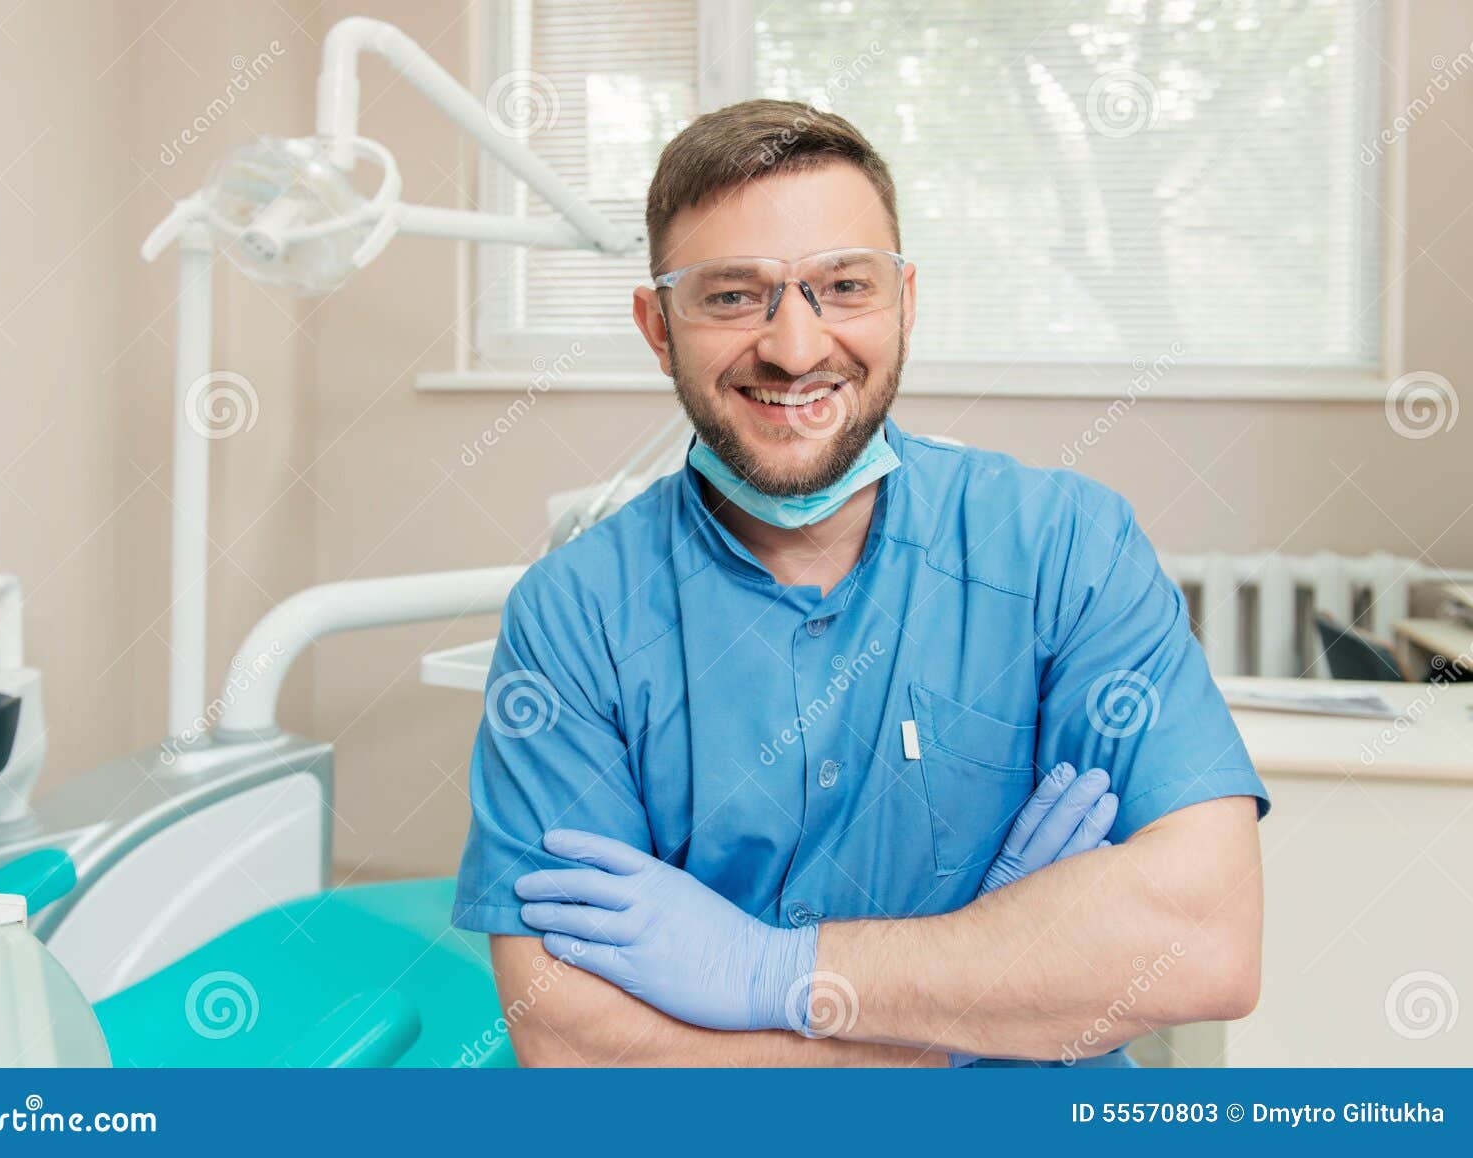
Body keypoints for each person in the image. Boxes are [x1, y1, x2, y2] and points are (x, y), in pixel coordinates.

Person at [452, 98, 1269, 1067]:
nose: (795, 349)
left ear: (906, 304)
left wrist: (774, 972)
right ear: (657, 326)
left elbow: (1204, 947)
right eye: (729, 295)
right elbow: (576, 1045)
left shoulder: (1062, 548)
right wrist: (986, 1009)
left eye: (842, 286)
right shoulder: (574, 616)